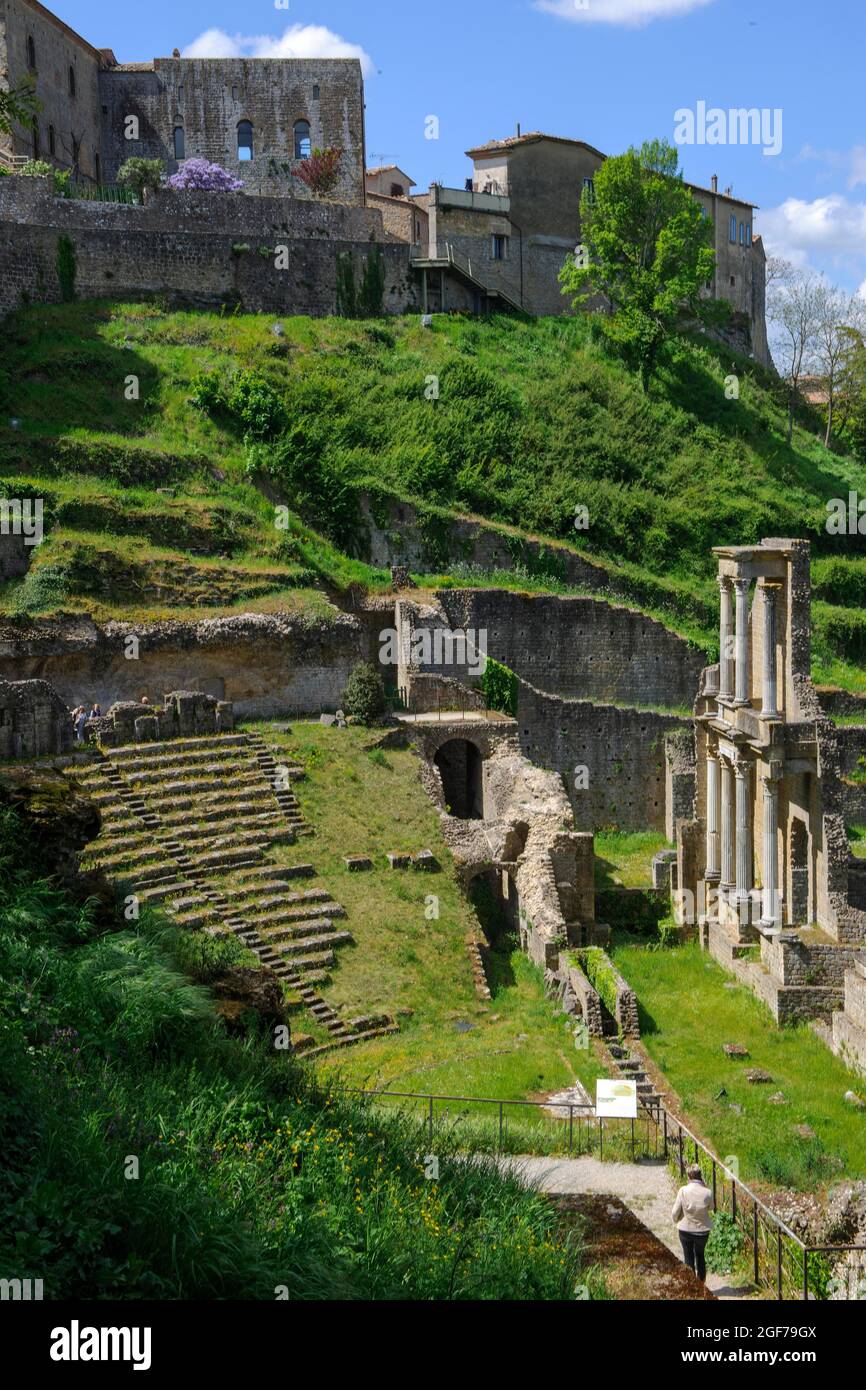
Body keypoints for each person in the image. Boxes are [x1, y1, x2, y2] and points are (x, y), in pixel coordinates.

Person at [672, 1164, 713, 1283]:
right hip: (702, 1231)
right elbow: (711, 1207)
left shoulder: (683, 1191)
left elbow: (675, 1212)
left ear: (689, 1176)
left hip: (685, 1229)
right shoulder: (708, 1192)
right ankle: (701, 1284)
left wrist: (676, 1220)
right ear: (700, 1175)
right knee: (700, 1255)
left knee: (688, 1258)